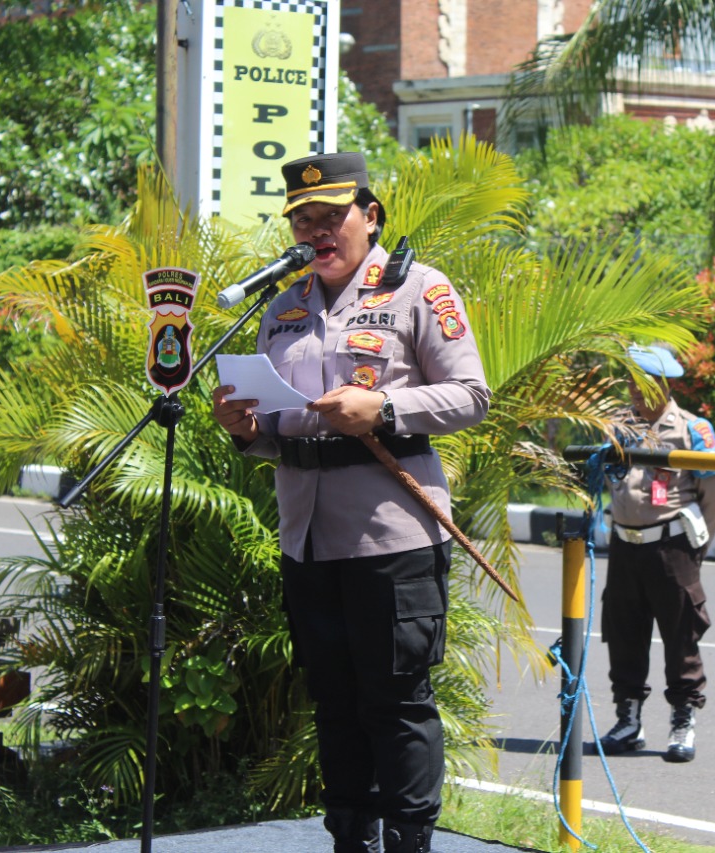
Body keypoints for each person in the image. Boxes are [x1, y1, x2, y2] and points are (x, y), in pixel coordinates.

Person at [211, 152, 490, 853]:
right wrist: (244, 430)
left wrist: (385, 407)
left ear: (370, 216)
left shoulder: (419, 290)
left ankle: (409, 841)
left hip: (392, 536)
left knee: (396, 701)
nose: (317, 231)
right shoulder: (283, 308)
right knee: (333, 702)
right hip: (306, 536)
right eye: (303, 219)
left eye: (331, 216)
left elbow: (471, 397)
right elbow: (277, 429)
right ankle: (350, 839)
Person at [598, 344, 715, 763]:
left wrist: (697, 549)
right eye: (632, 382)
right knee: (623, 634)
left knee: (681, 637)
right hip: (625, 547)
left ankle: (682, 722)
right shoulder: (617, 425)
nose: (636, 390)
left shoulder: (693, 429)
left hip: (672, 547)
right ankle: (628, 720)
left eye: (646, 383)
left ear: (665, 384)